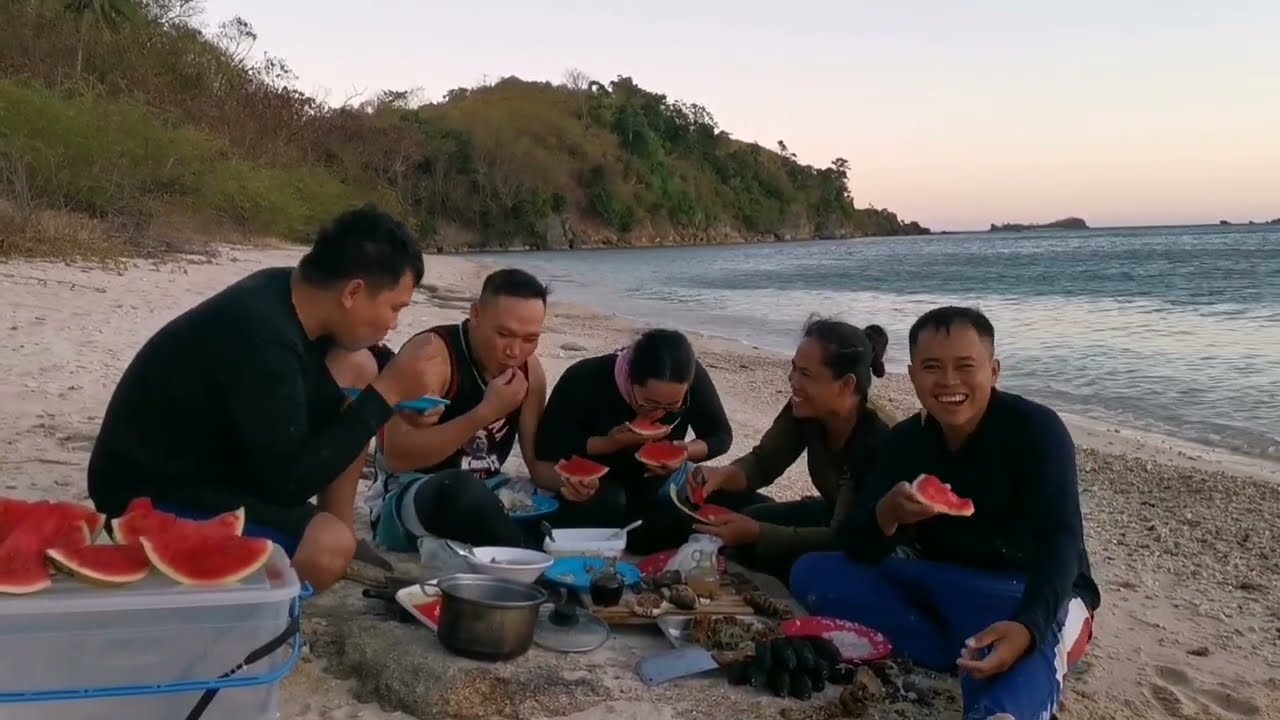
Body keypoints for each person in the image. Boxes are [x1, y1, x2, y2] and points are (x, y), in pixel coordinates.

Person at [88, 205, 439, 592]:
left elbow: (362, 360)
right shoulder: (262, 339)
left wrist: (400, 396)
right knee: (327, 547)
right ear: (353, 292)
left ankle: (338, 525)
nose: (394, 323)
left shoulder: (287, 290)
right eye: (394, 308)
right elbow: (287, 485)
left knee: (359, 364)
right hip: (152, 496)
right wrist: (386, 394)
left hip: (215, 460)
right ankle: (259, 608)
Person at [789, 306, 1101, 720]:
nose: (949, 381)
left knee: (1029, 643)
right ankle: (960, 649)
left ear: (994, 371)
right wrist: (887, 513)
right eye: (932, 367)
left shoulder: (1037, 430)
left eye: (965, 366)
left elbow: (1063, 541)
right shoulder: (905, 441)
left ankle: (1000, 702)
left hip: (1026, 592)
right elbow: (855, 543)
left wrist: (1028, 626)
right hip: (937, 581)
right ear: (912, 375)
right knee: (812, 572)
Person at [367, 268, 562, 552]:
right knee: (458, 489)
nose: (515, 351)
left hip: (489, 488)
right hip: (413, 495)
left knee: (587, 503)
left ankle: (517, 547)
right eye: (504, 334)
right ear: (476, 314)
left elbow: (536, 465)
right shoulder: (430, 358)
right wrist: (485, 413)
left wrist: (573, 483)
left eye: (530, 339)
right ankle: (526, 554)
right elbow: (397, 457)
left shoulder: (530, 372)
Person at [689, 318, 891, 581]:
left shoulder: (878, 437)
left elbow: (844, 535)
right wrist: (720, 475)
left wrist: (759, 533)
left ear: (846, 385)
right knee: (740, 519)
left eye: (805, 374)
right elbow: (762, 464)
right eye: (794, 368)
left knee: (785, 558)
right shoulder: (805, 408)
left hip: (865, 542)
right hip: (828, 512)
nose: (792, 380)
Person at [535, 328, 740, 554]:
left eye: (672, 406)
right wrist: (609, 443)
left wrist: (684, 452)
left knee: (728, 506)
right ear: (630, 377)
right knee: (611, 504)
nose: (659, 413)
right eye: (649, 403)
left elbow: (720, 436)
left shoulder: (691, 377)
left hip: (658, 486)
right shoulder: (585, 377)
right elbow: (548, 445)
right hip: (597, 488)